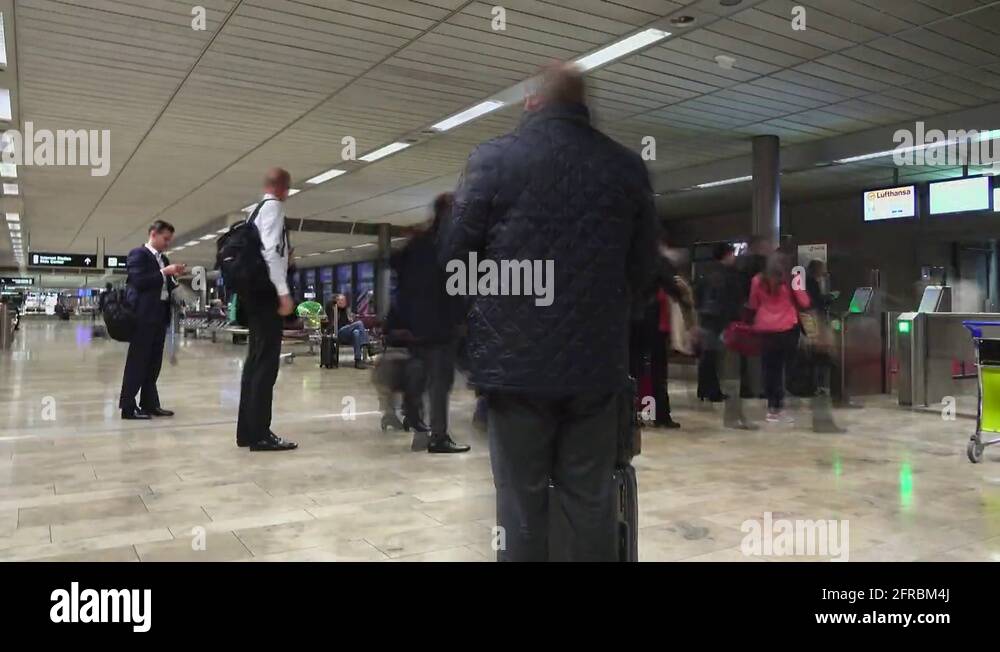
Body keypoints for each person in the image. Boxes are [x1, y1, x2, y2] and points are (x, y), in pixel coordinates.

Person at [440, 62, 657, 561]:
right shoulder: (625, 167)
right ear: (583, 105)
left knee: (520, 503)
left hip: (514, 370)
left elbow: (454, 259)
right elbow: (644, 270)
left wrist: (490, 308)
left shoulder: (493, 160)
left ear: (532, 102)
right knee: (591, 499)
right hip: (595, 369)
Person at [389, 193, 470, 454]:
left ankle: (414, 419)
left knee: (418, 374)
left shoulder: (420, 242)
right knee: (439, 383)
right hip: (442, 325)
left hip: (417, 324)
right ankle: (438, 436)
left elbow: (396, 265)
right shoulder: (452, 244)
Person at [236, 167, 298, 452]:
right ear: (284, 188)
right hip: (266, 297)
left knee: (254, 362)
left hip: (253, 296)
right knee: (265, 365)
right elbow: (272, 253)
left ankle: (247, 431)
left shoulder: (254, 210)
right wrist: (283, 294)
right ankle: (260, 433)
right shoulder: (273, 208)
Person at [119, 221, 185, 420]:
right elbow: (139, 281)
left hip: (159, 316)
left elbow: (164, 285)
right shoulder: (137, 254)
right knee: (137, 362)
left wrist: (173, 277)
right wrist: (164, 272)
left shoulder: (163, 258)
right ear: (153, 234)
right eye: (165, 239)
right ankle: (128, 407)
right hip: (142, 317)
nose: (167, 243)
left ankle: (149, 404)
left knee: (153, 364)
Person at [630, 231, 686, 429]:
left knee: (634, 370)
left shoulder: (629, 258)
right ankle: (659, 415)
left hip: (631, 321)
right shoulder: (658, 261)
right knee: (656, 371)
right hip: (652, 323)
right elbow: (674, 287)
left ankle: (633, 416)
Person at [748, 253, 810, 423]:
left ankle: (771, 408)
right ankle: (779, 407)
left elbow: (753, 303)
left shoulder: (757, 280)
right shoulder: (793, 279)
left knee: (769, 369)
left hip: (765, 328)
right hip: (786, 329)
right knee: (782, 368)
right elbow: (804, 302)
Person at [695, 243, 737, 402]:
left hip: (706, 317)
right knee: (712, 356)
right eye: (732, 254)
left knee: (707, 356)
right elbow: (723, 299)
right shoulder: (723, 274)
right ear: (726, 255)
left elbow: (698, 294)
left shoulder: (706, 271)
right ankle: (712, 391)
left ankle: (704, 390)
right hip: (716, 319)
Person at [326, 294, 369, 370]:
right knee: (359, 323)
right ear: (336, 301)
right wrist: (335, 303)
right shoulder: (332, 308)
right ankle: (368, 346)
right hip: (339, 332)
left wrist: (352, 319)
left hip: (348, 332)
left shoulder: (347, 310)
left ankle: (358, 360)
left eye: (344, 300)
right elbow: (329, 305)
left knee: (356, 333)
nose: (344, 302)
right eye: (341, 300)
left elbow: (351, 321)